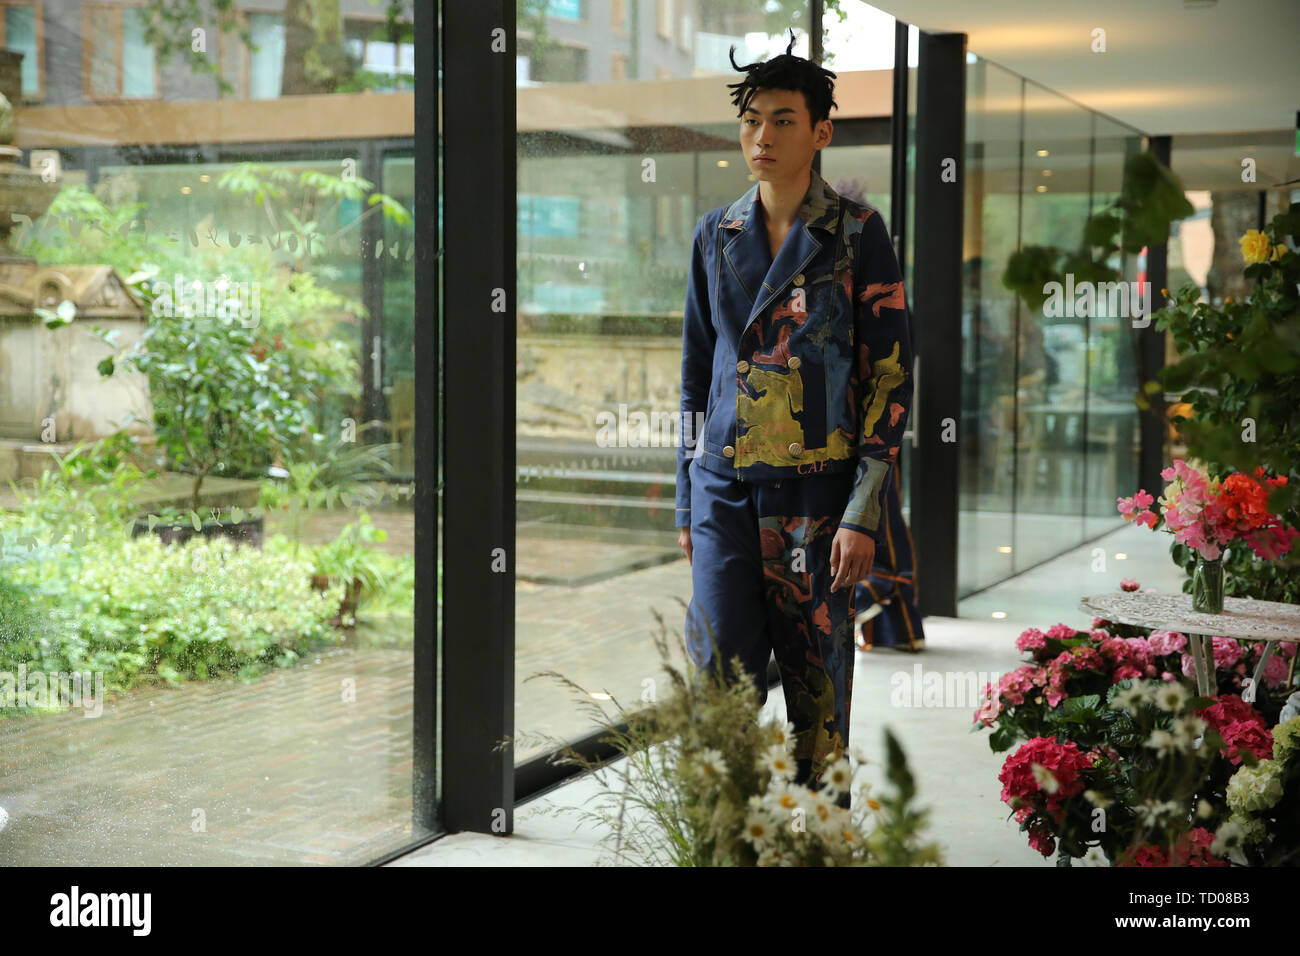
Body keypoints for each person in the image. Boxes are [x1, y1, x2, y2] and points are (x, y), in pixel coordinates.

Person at [674, 31, 915, 806]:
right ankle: (722, 842)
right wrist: (686, 496)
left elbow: (889, 379)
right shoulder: (717, 234)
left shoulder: (856, 234)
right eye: (751, 121)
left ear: (821, 131)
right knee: (718, 684)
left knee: (818, 697)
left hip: (818, 497)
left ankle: (821, 845)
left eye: (782, 119)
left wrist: (862, 513)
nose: (762, 136)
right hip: (724, 491)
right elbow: (692, 376)